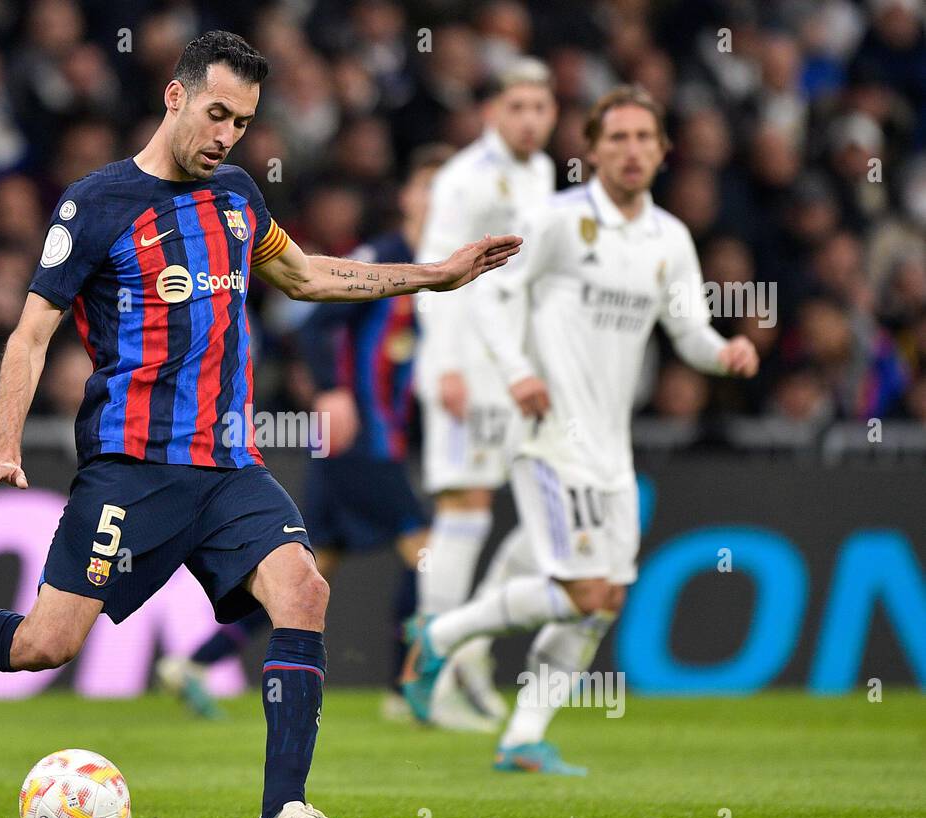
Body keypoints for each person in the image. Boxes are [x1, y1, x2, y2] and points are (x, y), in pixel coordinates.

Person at [0, 31, 521, 818]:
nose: (226, 136)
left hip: (229, 466)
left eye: (241, 122)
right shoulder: (94, 205)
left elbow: (305, 275)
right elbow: (30, 336)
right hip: (132, 471)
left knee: (304, 591)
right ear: (174, 97)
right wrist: (5, 444)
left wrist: (435, 276)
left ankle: (283, 814)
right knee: (43, 645)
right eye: (214, 115)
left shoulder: (240, 197)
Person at [403, 86, 759, 775]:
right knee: (583, 590)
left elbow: (687, 330)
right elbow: (491, 294)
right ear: (591, 150)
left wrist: (723, 352)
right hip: (547, 435)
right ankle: (443, 633)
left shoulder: (670, 239)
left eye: (643, 139)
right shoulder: (555, 222)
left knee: (604, 601)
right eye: (616, 138)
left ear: (663, 153)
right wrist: (514, 374)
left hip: (611, 448)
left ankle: (521, 738)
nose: (630, 151)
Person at [156, 146, 450, 721]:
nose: (440, 199)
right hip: (356, 440)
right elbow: (313, 322)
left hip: (374, 439)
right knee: (427, 553)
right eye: (429, 186)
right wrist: (329, 392)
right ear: (408, 196)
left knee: (302, 580)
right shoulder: (385, 256)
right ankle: (404, 685)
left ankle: (193, 662)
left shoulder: (433, 266)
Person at [411, 58, 558, 730]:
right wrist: (445, 364)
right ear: (492, 112)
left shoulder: (543, 172)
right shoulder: (464, 178)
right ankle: (430, 674)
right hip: (465, 365)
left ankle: (467, 645)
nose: (530, 118)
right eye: (517, 105)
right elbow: (437, 269)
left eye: (540, 106)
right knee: (461, 508)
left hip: (517, 367)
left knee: (539, 509)